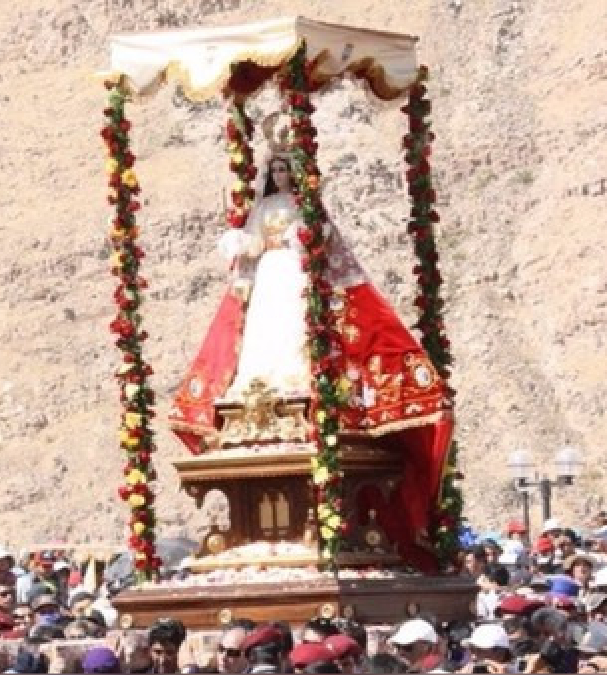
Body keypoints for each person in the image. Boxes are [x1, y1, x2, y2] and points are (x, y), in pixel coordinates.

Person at [169, 143, 453, 573]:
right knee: (264, 335)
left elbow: (320, 246)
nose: (280, 174)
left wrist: (299, 242)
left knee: (297, 331)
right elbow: (248, 248)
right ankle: (259, 395)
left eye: (286, 167)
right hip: (269, 277)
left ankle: (300, 389)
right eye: (276, 167)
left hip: (293, 276)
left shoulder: (305, 206)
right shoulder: (264, 205)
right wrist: (243, 243)